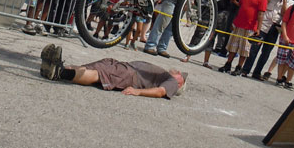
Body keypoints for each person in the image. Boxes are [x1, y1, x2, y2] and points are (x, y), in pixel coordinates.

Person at [40, 44, 187, 99]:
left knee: (99, 74)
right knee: (91, 68)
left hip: (129, 74)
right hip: (124, 66)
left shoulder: (172, 83)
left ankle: (60, 73)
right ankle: (52, 66)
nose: (178, 72)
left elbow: (160, 92)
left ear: (180, 83)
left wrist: (138, 92)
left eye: (181, 74)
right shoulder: (166, 76)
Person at [241, 0, 293, 80]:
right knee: (254, 49)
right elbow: (263, 4)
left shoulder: (289, 3)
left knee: (266, 52)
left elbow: (284, 14)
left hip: (275, 28)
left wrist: (284, 1)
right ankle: (245, 70)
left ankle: (257, 72)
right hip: (263, 25)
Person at [219, 0, 267, 75]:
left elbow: (261, 14)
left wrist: (258, 29)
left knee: (244, 49)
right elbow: (240, 7)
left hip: (250, 27)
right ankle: (228, 64)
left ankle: (239, 67)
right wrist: (234, 21)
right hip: (238, 24)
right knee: (233, 46)